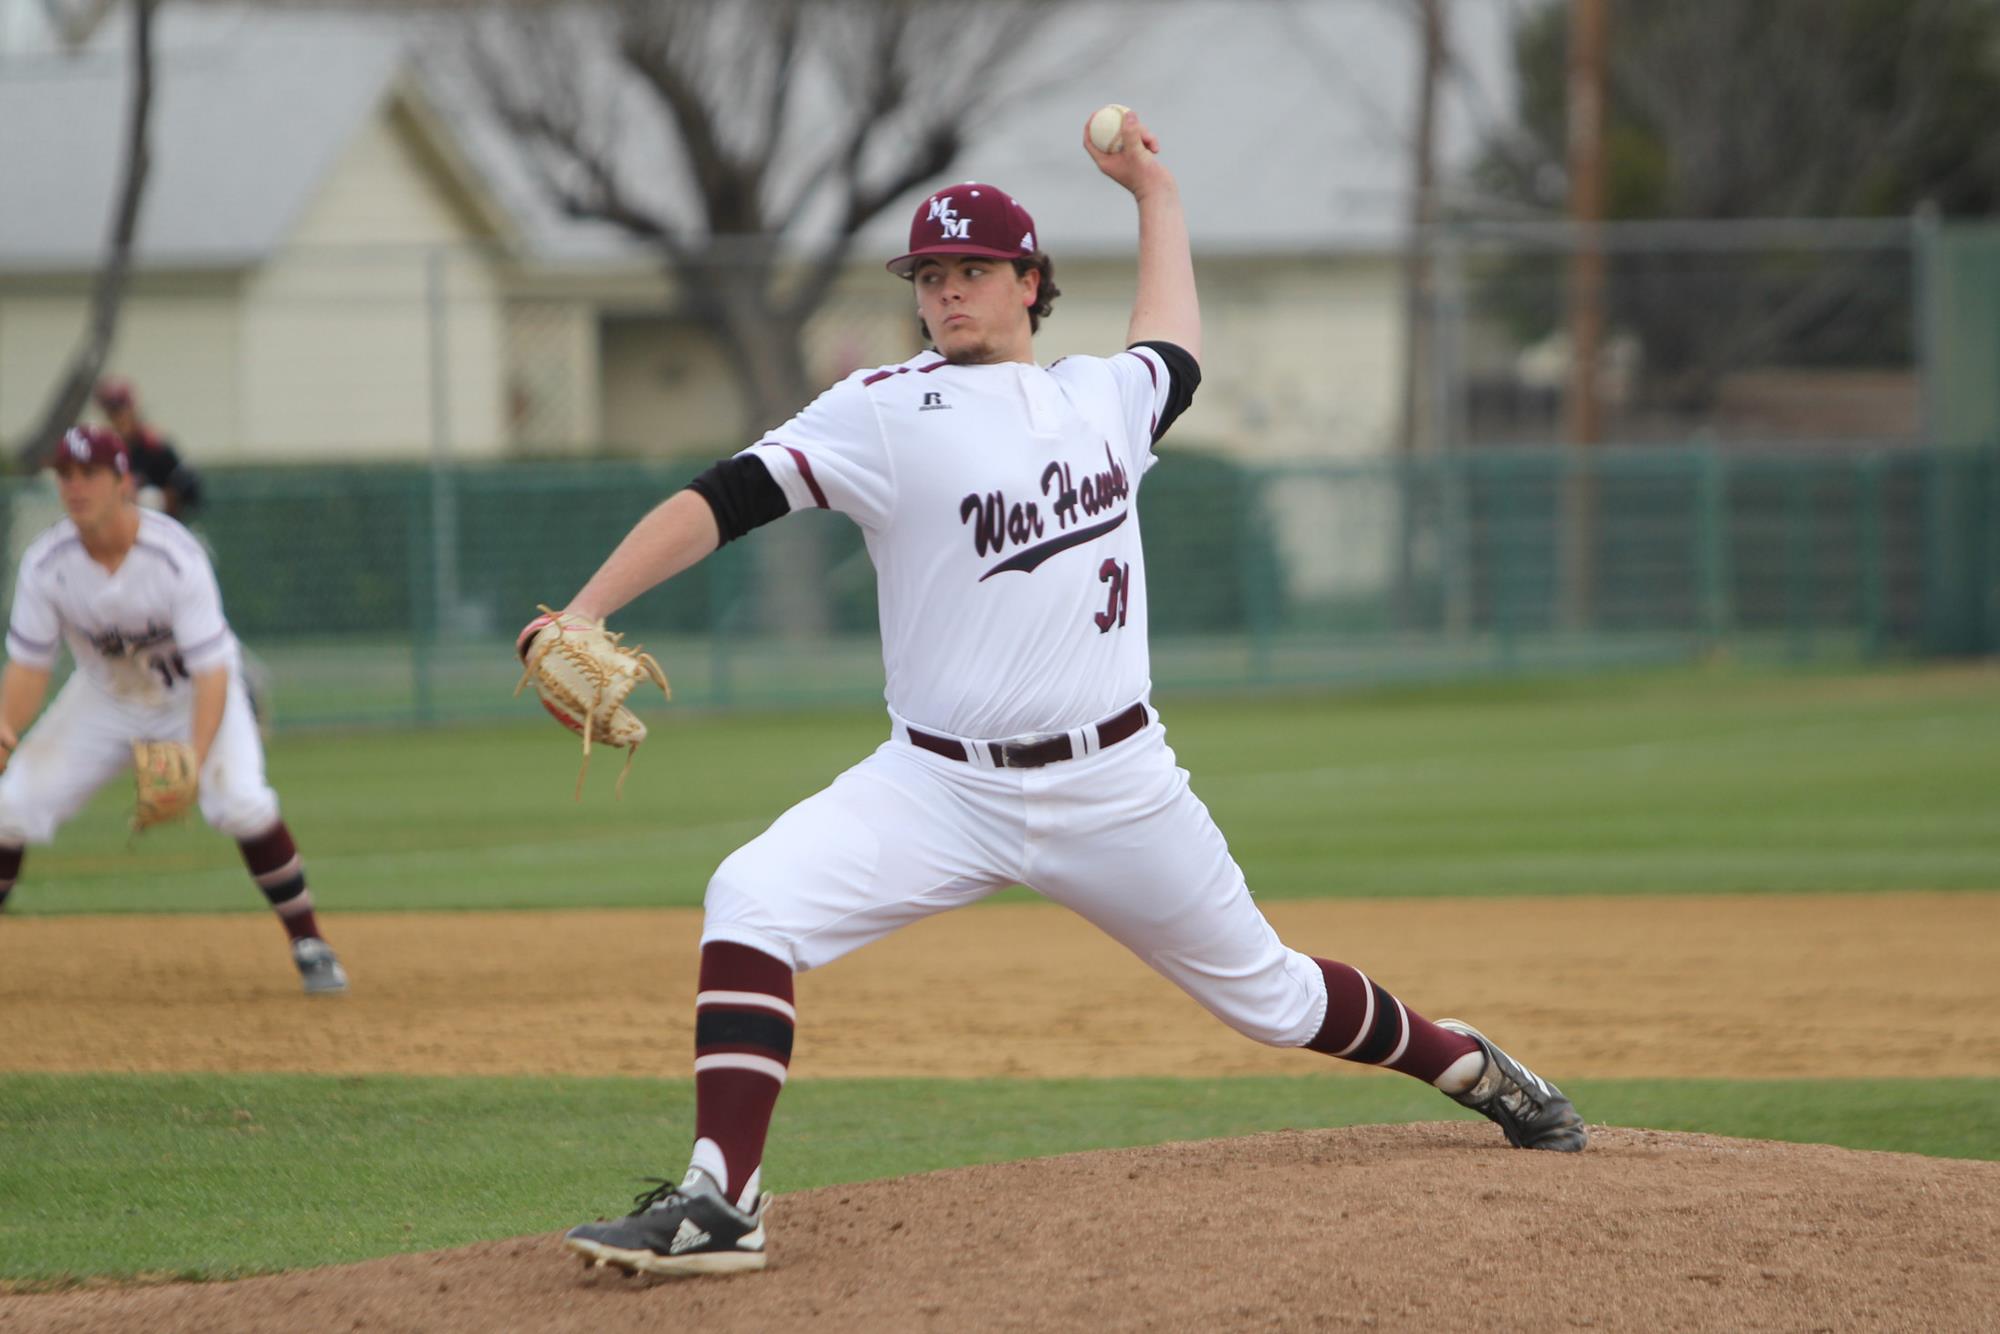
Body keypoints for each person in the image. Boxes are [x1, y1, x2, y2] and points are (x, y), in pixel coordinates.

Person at [545, 110, 1585, 1278]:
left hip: (1115, 783)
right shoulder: (878, 409)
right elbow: (723, 497)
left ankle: (1467, 1063)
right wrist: (582, 609)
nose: (947, 290)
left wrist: (1155, 195)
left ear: (1030, 282)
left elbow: (1173, 343)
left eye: (973, 269)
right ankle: (721, 1198)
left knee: (1274, 998)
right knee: (751, 895)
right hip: (935, 784)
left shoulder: (1102, 397)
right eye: (929, 274)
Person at [0, 425, 345, 996]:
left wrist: (192, 758)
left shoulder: (174, 557)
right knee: (10, 806)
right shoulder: (46, 564)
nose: (75, 486)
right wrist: (6, 730)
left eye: (90, 474)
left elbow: (213, 671)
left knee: (241, 802)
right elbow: (30, 667)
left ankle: (309, 941)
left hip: (194, 699)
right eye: (66, 475)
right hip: (105, 699)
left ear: (123, 483)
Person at [94, 377, 203, 520]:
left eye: (119, 410)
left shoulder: (154, 447)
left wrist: (166, 498)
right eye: (111, 412)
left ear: (131, 410)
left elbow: (190, 488)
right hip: (120, 524)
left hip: (160, 523)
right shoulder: (106, 453)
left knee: (149, 498)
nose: (117, 418)